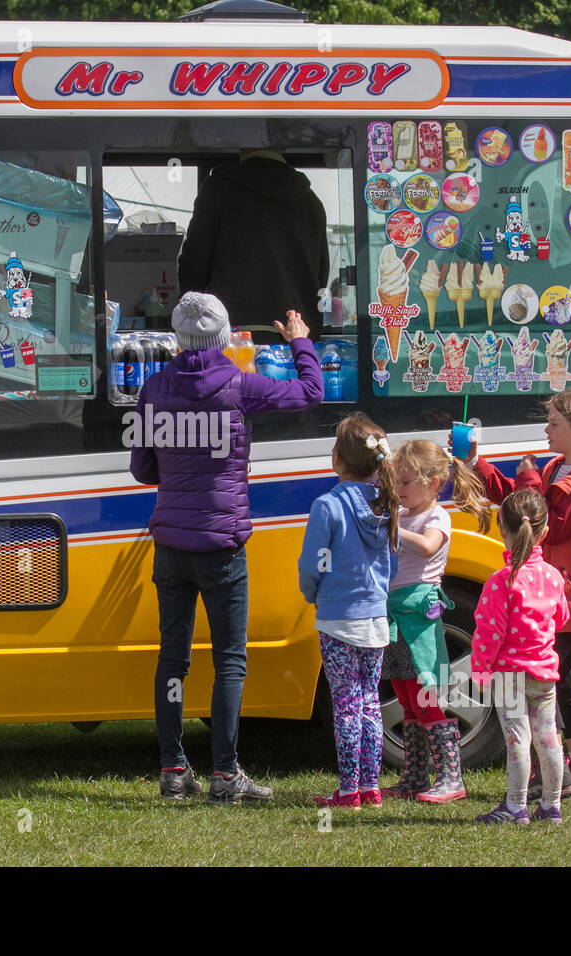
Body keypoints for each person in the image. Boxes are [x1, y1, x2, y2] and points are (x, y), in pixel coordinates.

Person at [130, 291, 322, 803]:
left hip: (170, 541)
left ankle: (173, 771)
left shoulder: (153, 389)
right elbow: (310, 392)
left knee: (173, 658)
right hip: (221, 543)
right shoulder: (240, 385)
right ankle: (224, 774)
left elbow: (143, 469)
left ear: (178, 337)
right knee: (229, 659)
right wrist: (301, 342)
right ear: (223, 337)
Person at [467, 389, 571, 799]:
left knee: (547, 681)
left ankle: (555, 774)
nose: (546, 429)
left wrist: (531, 480)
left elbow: (554, 522)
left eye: (553, 423)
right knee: (563, 681)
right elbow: (522, 506)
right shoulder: (557, 468)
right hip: (555, 594)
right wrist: (475, 464)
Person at [382, 439, 492, 803]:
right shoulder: (403, 511)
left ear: (432, 483)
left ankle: (451, 778)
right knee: (404, 693)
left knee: (426, 695)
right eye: (396, 482)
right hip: (394, 613)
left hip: (418, 618)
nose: (398, 489)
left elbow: (428, 547)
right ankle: (414, 776)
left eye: (406, 482)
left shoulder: (435, 517)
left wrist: (394, 527)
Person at [298, 413, 397, 809]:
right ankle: (372, 786)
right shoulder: (386, 504)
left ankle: (349, 789)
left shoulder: (327, 506)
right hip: (375, 618)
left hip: (338, 618)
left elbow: (313, 562)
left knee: (345, 703)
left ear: (337, 459)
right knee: (370, 700)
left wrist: (312, 592)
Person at [470, 489, 569, 825]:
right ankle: (551, 806)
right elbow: (562, 618)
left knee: (518, 740)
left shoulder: (501, 582)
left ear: (503, 531)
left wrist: (481, 670)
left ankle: (515, 807)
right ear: (544, 532)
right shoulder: (553, 577)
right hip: (543, 673)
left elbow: (489, 633)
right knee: (547, 738)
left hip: (509, 676)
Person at [178, 149, 329, 341]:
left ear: (241, 144)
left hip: (230, 334)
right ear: (282, 147)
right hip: (293, 334)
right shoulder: (311, 203)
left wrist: (189, 317)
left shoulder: (219, 189)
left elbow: (194, 263)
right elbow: (320, 277)